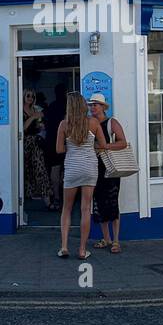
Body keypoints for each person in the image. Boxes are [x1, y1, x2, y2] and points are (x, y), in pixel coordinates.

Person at [56, 92, 107, 260]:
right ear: (84, 106)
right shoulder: (93, 123)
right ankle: (82, 250)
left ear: (69, 107)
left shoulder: (64, 125)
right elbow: (103, 145)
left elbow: (59, 150)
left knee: (67, 208)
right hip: (89, 168)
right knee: (86, 209)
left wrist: (70, 145)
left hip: (72, 168)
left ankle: (64, 247)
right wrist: (91, 147)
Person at [88, 95, 127, 253]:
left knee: (112, 202)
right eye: (91, 105)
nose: (93, 107)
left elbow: (123, 142)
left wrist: (104, 147)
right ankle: (106, 238)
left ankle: (116, 240)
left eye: (96, 105)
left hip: (110, 168)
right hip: (94, 167)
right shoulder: (89, 124)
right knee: (99, 202)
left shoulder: (112, 123)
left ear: (103, 107)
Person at [22, 88, 51, 204]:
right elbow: (22, 127)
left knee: (40, 167)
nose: (30, 98)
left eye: (32, 96)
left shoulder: (35, 109)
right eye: (28, 96)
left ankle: (47, 199)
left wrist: (41, 125)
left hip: (35, 141)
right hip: (24, 142)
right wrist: (33, 117)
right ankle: (27, 196)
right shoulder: (19, 109)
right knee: (25, 170)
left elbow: (38, 126)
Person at [43, 82, 68, 212]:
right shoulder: (67, 106)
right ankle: (63, 198)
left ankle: (57, 197)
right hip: (65, 141)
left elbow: (45, 123)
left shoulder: (52, 106)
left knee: (54, 170)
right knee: (63, 170)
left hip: (51, 140)